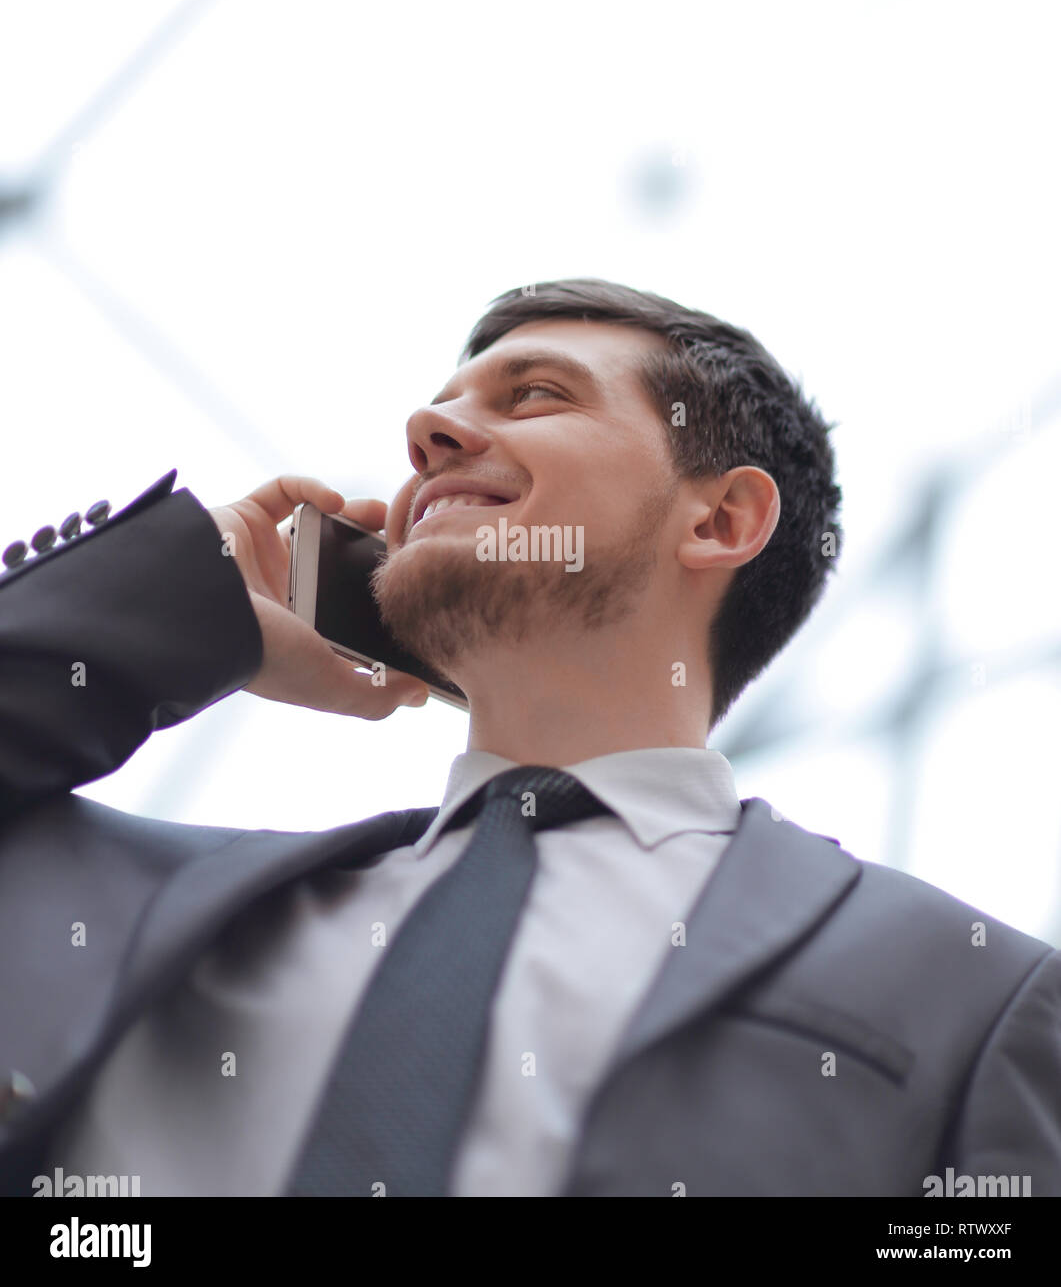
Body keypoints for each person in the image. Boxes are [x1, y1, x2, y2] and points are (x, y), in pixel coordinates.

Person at [1, 278, 1058, 1198]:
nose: (426, 432)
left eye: (536, 394)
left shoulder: (976, 994)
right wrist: (177, 608)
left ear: (721, 520)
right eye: (437, 412)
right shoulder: (127, 896)